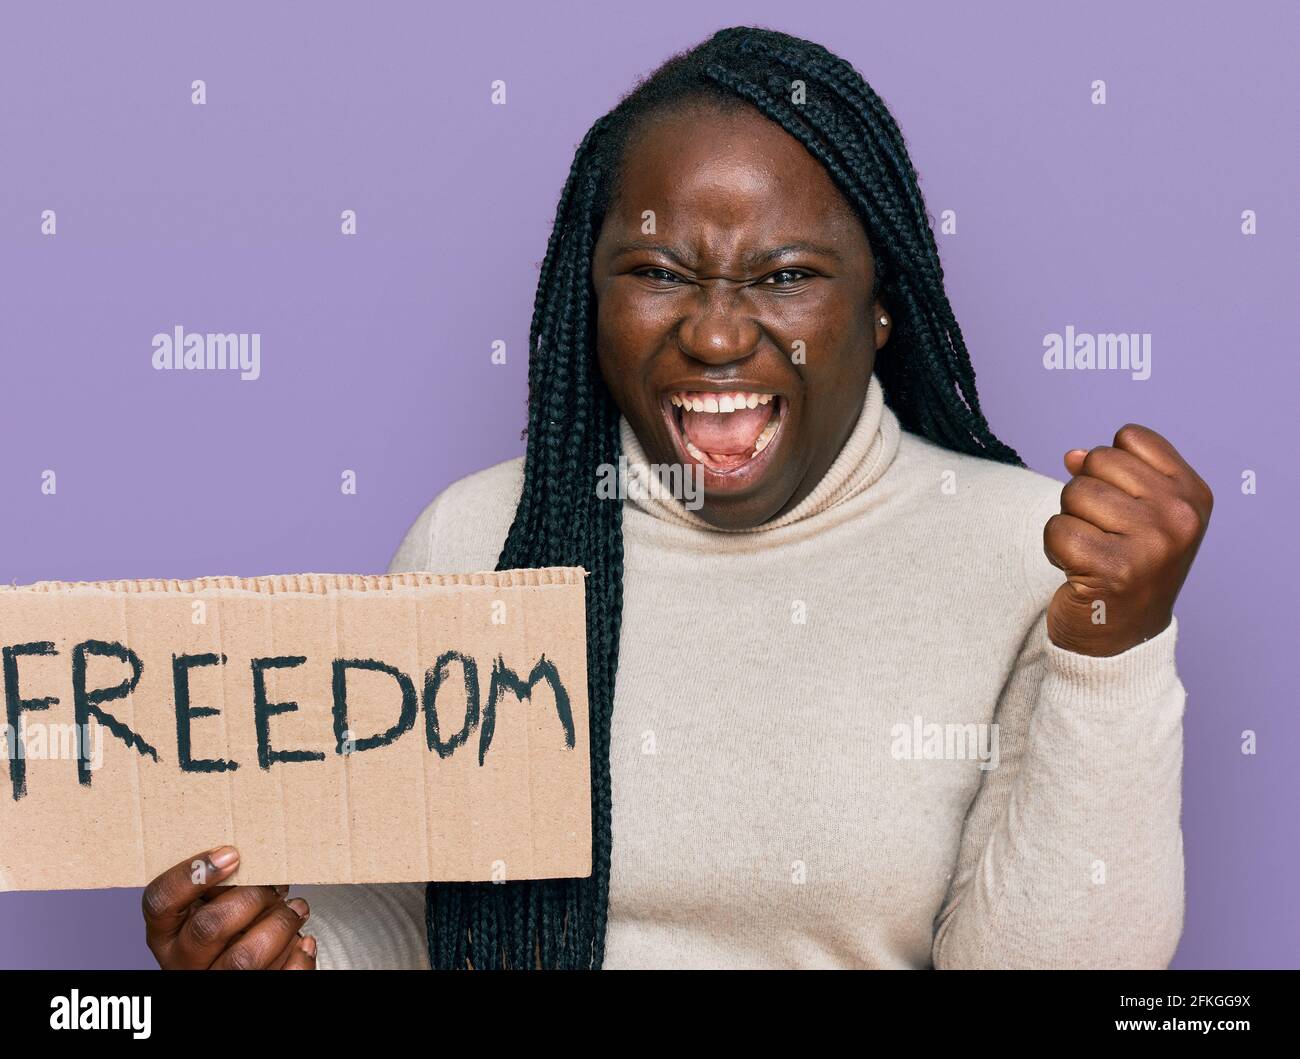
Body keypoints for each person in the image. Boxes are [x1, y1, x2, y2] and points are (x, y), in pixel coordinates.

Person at [141, 25, 1211, 971]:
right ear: (587, 291)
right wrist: (281, 953)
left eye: (787, 275)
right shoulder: (477, 539)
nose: (712, 334)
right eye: (656, 270)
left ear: (881, 311)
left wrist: (1109, 653)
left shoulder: (1034, 556)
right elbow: (422, 926)